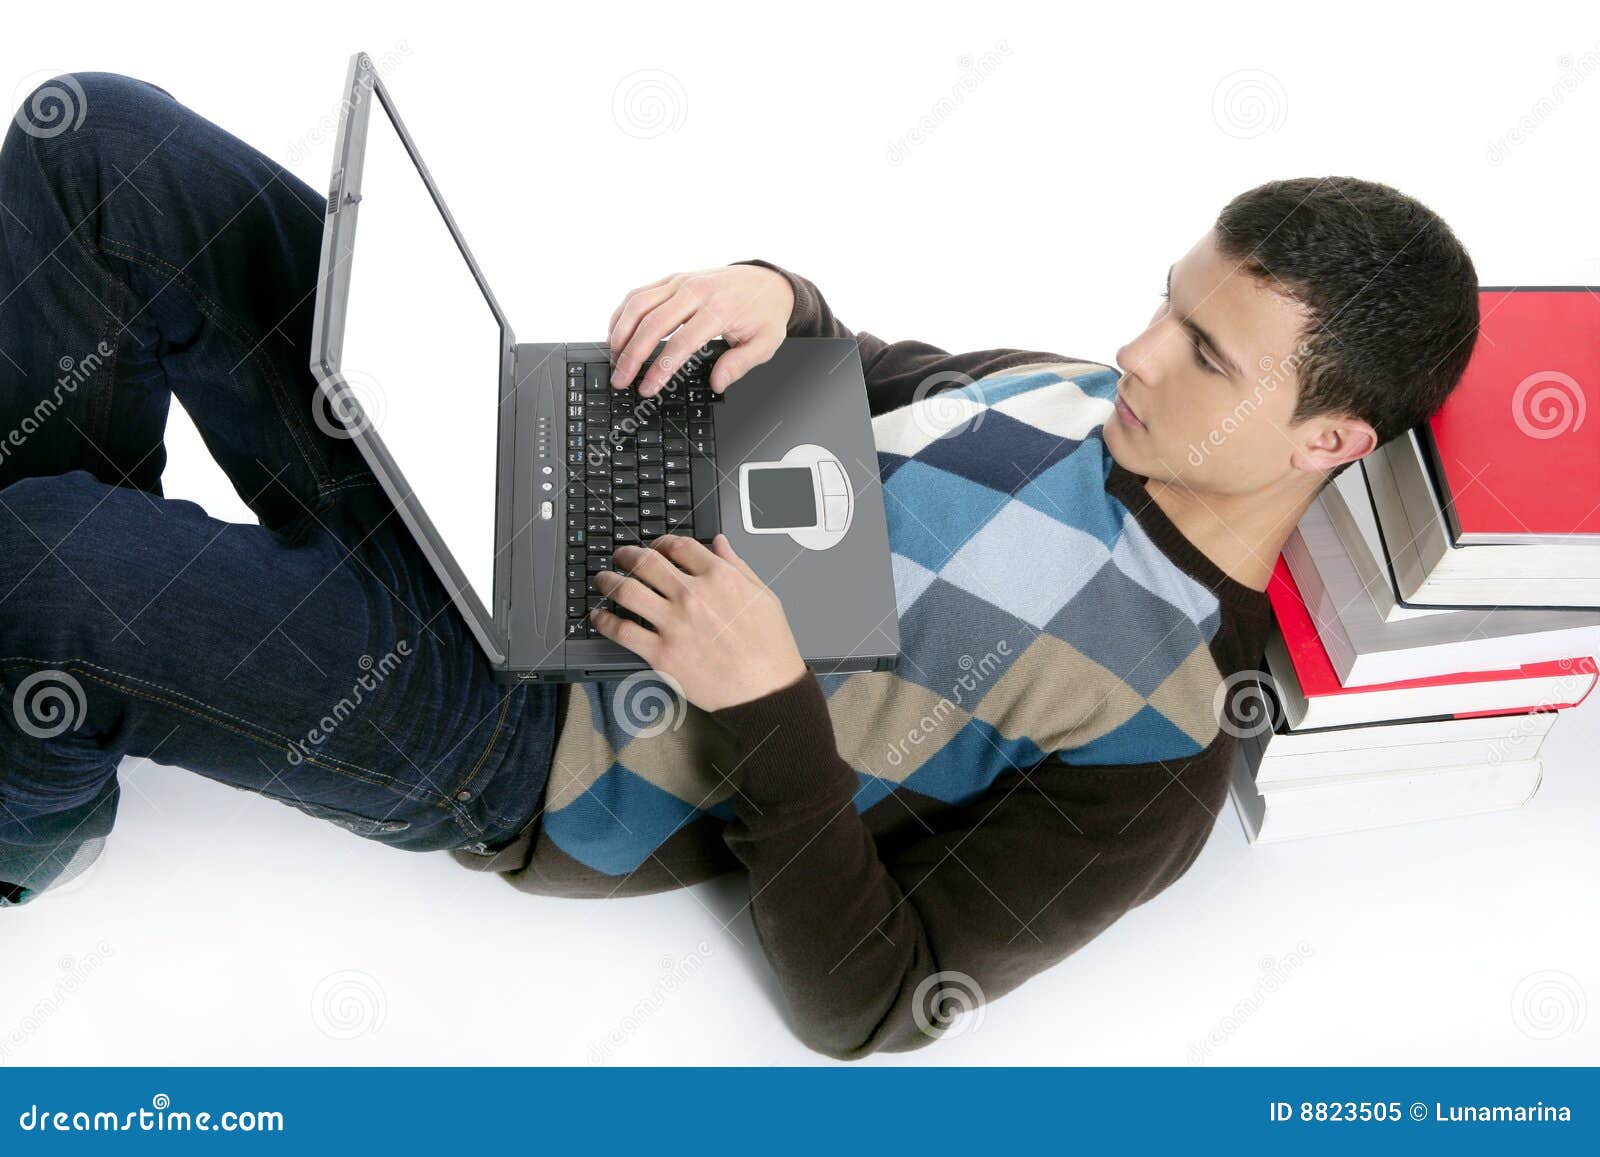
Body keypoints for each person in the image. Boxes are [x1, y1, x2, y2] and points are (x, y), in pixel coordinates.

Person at [0, 73, 1478, 1058]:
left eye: (1203, 352)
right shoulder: (1092, 391)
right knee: (103, 146)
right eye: (1166, 304)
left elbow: (881, 1001)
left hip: (524, 731)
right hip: (529, 498)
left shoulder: (1162, 745)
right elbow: (881, 380)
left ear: (1330, 441)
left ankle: (33, 811)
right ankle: (67, 677)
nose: (1135, 353)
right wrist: (779, 296)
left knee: (40, 561)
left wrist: (766, 696)